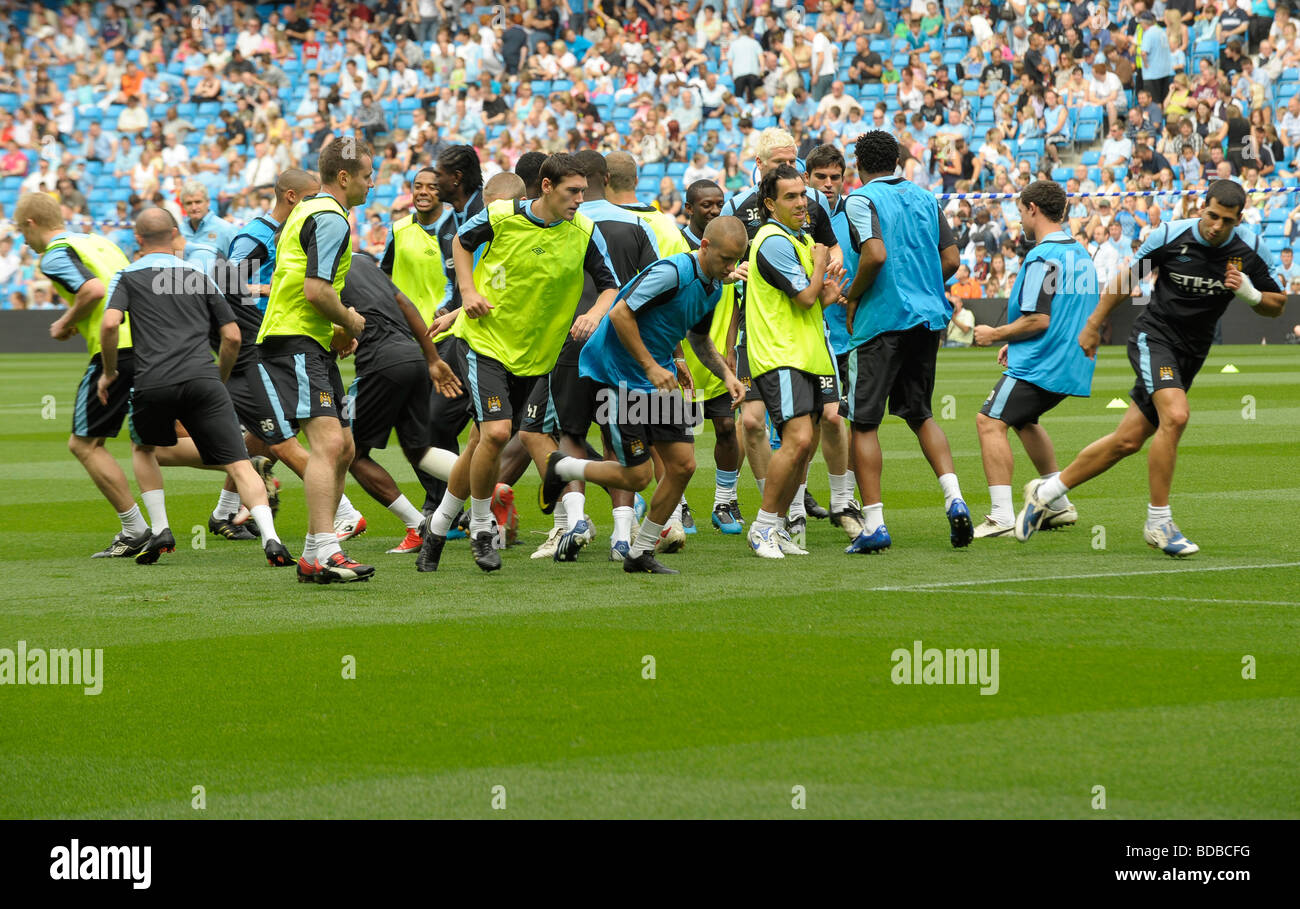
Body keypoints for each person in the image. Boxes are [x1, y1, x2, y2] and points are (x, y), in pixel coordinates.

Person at [1017, 180, 1286, 556]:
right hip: (1154, 338)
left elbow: (1277, 304)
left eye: (1225, 221)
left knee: (1127, 440)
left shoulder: (1250, 249)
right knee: (1176, 416)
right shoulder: (1170, 236)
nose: (1215, 226)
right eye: (1210, 215)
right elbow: (1127, 279)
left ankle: (1046, 493)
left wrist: (1250, 293)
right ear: (1200, 208)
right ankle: (1159, 523)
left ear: (1238, 220)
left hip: (1192, 353)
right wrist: (1093, 325)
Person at [416, 153, 619, 573]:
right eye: (572, 191)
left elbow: (609, 287)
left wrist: (595, 314)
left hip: (537, 358)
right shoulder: (502, 216)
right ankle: (482, 528)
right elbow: (461, 242)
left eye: (583, 190)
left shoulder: (583, 231)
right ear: (546, 187)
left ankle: (435, 528)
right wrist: (467, 292)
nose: (580, 199)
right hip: (487, 343)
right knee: (495, 433)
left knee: (478, 443)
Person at [539, 216, 749, 574]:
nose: (731, 268)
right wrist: (651, 365)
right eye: (725, 260)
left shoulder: (713, 287)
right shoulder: (672, 272)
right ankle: (564, 467)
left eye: (736, 260)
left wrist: (728, 374)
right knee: (637, 476)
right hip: (621, 376)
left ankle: (640, 552)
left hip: (658, 377)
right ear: (704, 247)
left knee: (683, 466)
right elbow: (620, 314)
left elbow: (698, 340)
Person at [96, 207, 291, 567]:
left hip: (153, 380)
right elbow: (231, 335)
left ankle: (161, 530)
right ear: (174, 235)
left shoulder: (125, 275)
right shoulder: (199, 275)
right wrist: (219, 377)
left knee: (144, 449)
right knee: (238, 463)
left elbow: (109, 326)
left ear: (138, 240)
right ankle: (272, 540)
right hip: (203, 378)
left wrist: (109, 373)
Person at [517, 150, 659, 563]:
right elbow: (653, 288)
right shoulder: (638, 223)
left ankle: (574, 521)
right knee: (619, 440)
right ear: (609, 178)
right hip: (623, 348)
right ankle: (621, 535)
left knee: (568, 434)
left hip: (572, 342)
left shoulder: (561, 221)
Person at [841, 130, 970, 554]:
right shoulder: (926, 198)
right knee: (921, 414)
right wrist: (925, 284)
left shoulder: (861, 200)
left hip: (881, 321)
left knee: (863, 423)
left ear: (858, 164)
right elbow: (951, 259)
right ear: (897, 160)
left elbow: (874, 254)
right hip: (927, 319)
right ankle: (955, 498)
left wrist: (852, 295)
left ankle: (874, 523)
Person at [256, 136, 376, 584]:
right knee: (329, 446)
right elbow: (316, 291)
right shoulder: (330, 219)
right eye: (366, 176)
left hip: (308, 339)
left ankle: (314, 552)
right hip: (295, 339)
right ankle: (327, 549)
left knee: (343, 447)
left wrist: (337, 328)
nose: (371, 184)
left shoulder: (308, 210)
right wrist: (351, 321)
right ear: (344, 177)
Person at [15, 192, 149, 558]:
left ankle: (135, 529)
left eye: (20, 230)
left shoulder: (54, 254)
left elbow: (93, 290)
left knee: (84, 444)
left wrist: (64, 321)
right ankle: (244, 466)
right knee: (159, 441)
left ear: (31, 224)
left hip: (117, 349)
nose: (22, 240)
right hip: (151, 343)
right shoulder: (99, 242)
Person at [721, 128, 840, 527]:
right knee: (755, 423)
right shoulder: (738, 206)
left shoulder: (810, 210)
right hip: (758, 330)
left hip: (799, 333)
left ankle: (791, 506)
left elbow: (829, 247)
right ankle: (767, 509)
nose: (791, 170)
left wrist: (830, 263)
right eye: (781, 165)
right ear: (760, 165)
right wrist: (729, 269)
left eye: (795, 164)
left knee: (810, 428)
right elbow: (716, 254)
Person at [970, 181, 1099, 538]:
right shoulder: (1080, 253)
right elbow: (1065, 312)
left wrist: (995, 334)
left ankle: (1000, 517)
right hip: (1070, 361)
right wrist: (1016, 343)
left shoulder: (1043, 257)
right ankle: (1057, 505)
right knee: (1024, 420)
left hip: (1044, 362)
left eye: (1020, 211)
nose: (1019, 218)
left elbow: (1039, 319)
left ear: (1033, 210)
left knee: (988, 421)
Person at [743, 164, 845, 558]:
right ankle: (764, 526)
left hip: (806, 355)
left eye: (803, 195)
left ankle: (778, 526)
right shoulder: (771, 240)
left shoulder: (798, 239)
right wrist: (820, 266)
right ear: (770, 204)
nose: (803, 203)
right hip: (780, 353)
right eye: (791, 197)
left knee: (804, 447)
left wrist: (829, 291)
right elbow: (804, 297)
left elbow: (813, 300)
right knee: (798, 439)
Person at [342, 253, 464, 553]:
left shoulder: (320, 266)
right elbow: (406, 305)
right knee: (418, 449)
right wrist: (433, 358)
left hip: (380, 363)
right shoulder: (363, 263)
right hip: (413, 357)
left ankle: (416, 525)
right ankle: (493, 487)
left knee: (352, 454)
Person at [803, 144, 867, 540]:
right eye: (820, 178)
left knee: (848, 418)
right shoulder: (797, 215)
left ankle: (847, 499)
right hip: (810, 333)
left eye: (834, 177)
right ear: (807, 178)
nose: (828, 185)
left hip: (852, 336)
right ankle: (802, 492)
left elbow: (872, 260)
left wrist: (854, 295)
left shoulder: (855, 213)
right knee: (809, 421)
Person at [679, 179, 747, 535]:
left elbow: (735, 303)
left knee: (724, 428)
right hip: (681, 360)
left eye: (719, 203)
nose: (714, 210)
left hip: (717, 358)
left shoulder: (730, 244)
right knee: (679, 437)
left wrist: (731, 349)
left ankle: (725, 501)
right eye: (706, 204)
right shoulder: (676, 245)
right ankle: (679, 505)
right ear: (689, 207)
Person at [176, 181, 237, 279]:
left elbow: (237, 267)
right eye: (189, 203)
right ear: (182, 206)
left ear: (208, 202)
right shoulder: (179, 231)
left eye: (198, 202)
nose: (194, 207)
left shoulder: (226, 229)